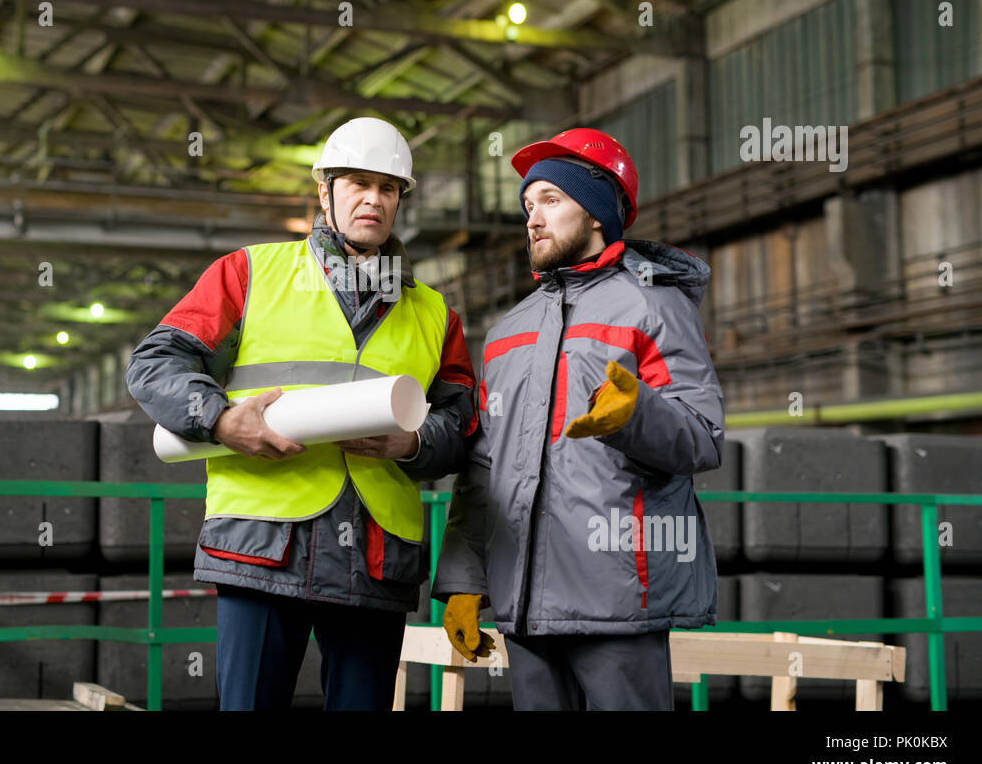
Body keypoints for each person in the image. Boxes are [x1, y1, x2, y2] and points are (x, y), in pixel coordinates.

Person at [126, 116, 476, 711]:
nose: (373, 199)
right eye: (357, 183)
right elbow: (155, 362)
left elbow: (463, 424)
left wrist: (413, 446)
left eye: (388, 188)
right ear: (324, 191)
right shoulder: (250, 273)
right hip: (263, 549)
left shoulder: (435, 313)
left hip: (376, 560)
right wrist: (218, 418)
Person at [433, 127, 723, 710]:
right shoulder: (508, 331)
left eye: (550, 200)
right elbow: (484, 464)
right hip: (525, 603)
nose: (532, 218)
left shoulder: (655, 305)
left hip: (617, 595)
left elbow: (703, 437)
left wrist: (637, 414)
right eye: (527, 205)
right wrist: (465, 580)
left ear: (596, 215)